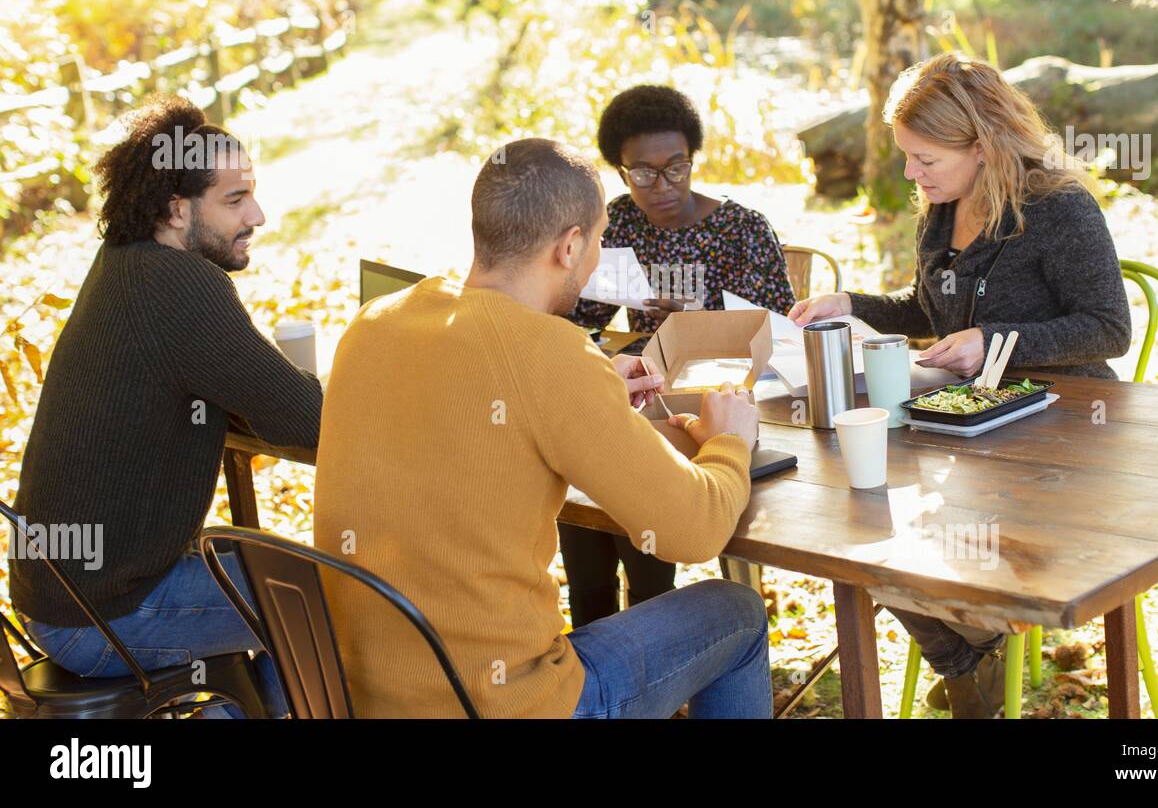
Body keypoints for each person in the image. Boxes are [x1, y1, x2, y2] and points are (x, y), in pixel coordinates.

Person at [313, 138, 771, 718]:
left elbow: (473, 398)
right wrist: (729, 439)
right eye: (600, 239)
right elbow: (694, 532)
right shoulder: (551, 353)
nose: (598, 255)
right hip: (504, 703)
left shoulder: (374, 322)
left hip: (360, 696)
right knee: (738, 613)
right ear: (570, 244)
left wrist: (592, 385)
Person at [791, 53, 1131, 717]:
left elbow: (1109, 328)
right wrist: (850, 302)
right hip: (970, 425)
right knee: (857, 521)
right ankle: (971, 655)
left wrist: (995, 341)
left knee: (887, 525)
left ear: (982, 144)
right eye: (907, 158)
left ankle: (971, 661)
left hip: (1065, 438)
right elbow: (929, 309)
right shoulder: (942, 211)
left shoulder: (1059, 210)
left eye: (925, 160)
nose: (912, 176)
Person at [9, 97, 322, 718]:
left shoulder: (126, 265)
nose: (257, 215)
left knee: (281, 573)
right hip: (105, 617)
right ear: (177, 209)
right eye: (234, 201)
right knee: (319, 605)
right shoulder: (181, 285)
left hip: (62, 596)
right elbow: (305, 420)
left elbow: (219, 382)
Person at [563, 84, 796, 626]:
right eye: (642, 172)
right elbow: (580, 322)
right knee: (582, 479)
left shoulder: (740, 229)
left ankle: (644, 620)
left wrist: (694, 318)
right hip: (642, 387)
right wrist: (615, 304)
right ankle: (596, 631)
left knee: (622, 477)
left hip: (727, 402)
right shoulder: (616, 223)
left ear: (693, 159)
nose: (662, 186)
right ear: (620, 171)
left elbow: (775, 332)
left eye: (676, 168)